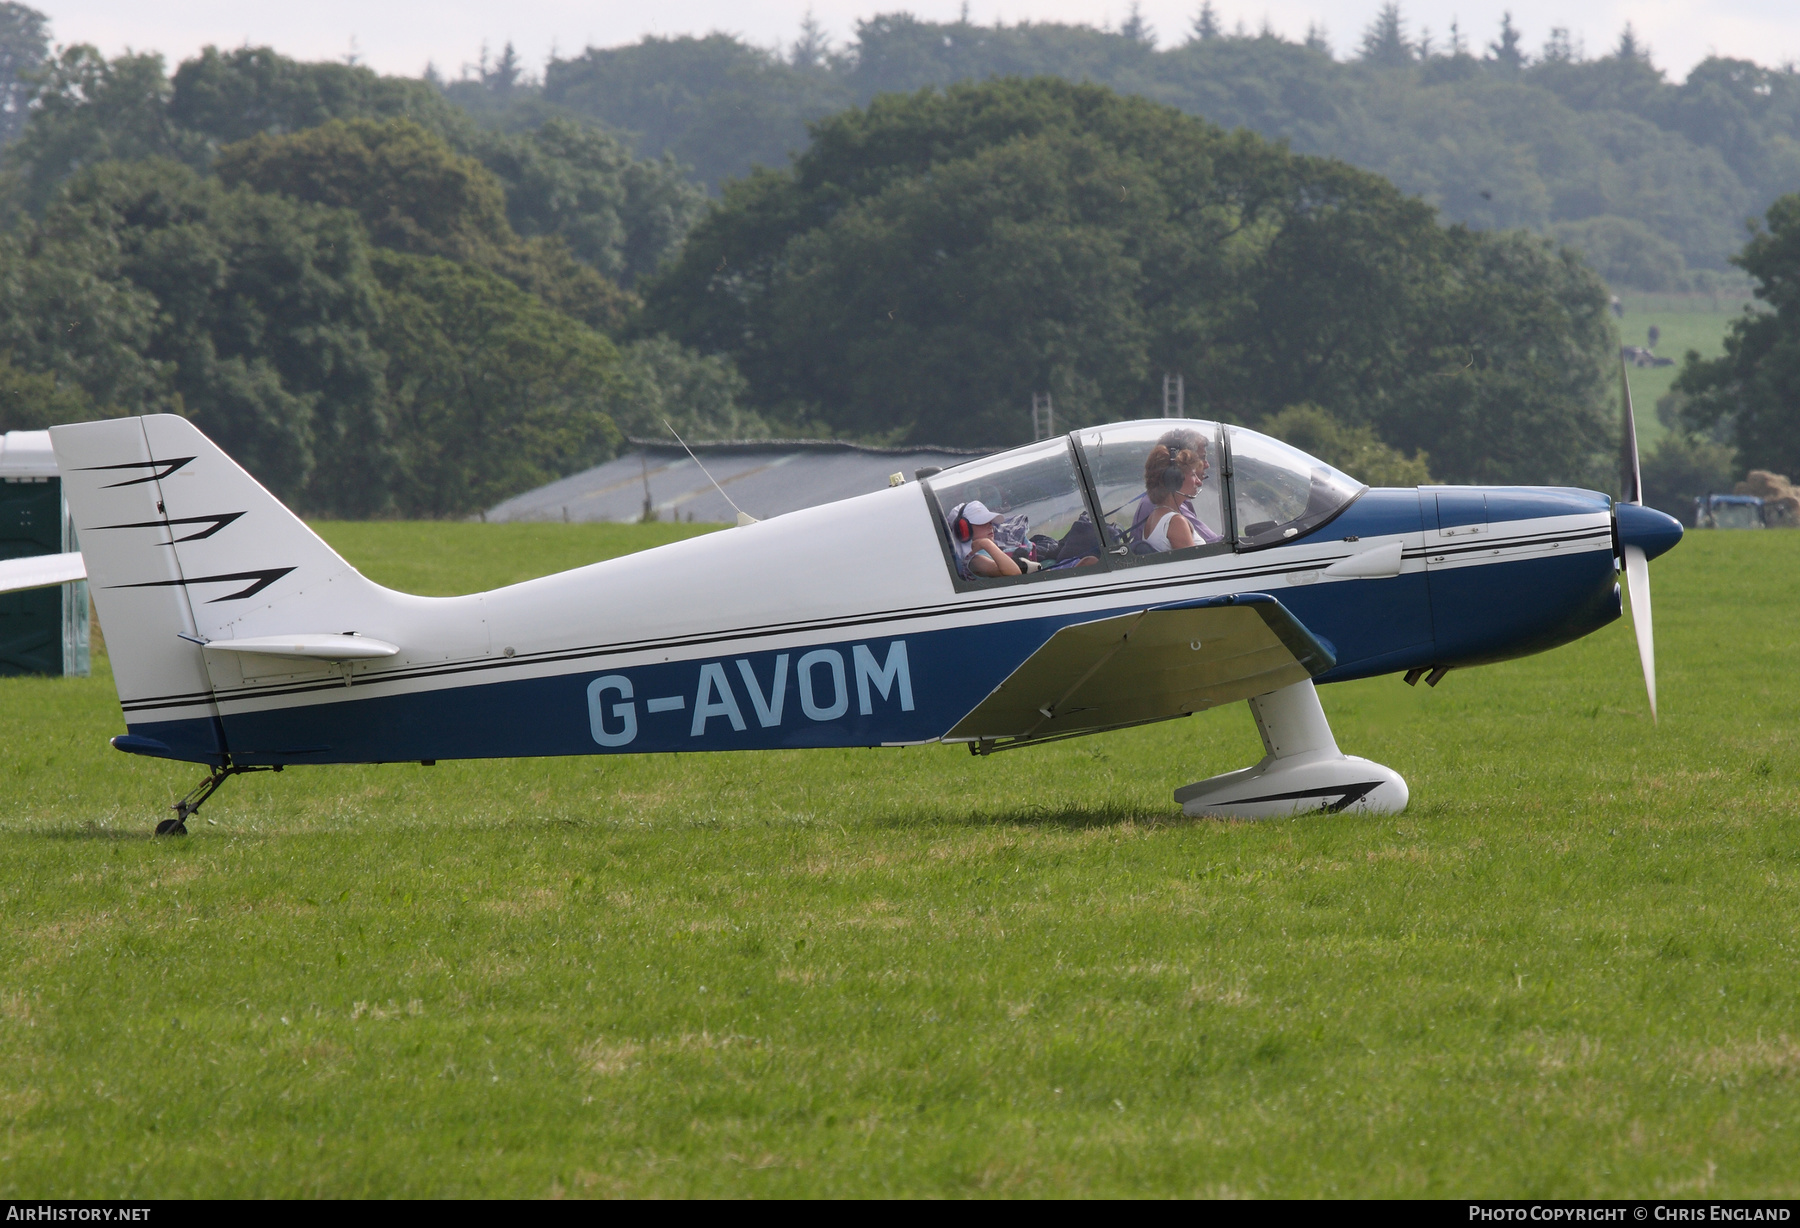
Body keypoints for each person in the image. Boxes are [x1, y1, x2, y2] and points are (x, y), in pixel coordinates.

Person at [1129, 428, 1221, 549]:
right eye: (1201, 459)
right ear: (1175, 475)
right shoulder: (1175, 520)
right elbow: (1213, 547)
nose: (1206, 465)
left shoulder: (1160, 509)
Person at [949, 500, 1023, 578]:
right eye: (982, 523)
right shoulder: (975, 561)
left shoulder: (984, 551)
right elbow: (1014, 574)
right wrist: (986, 544)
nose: (990, 527)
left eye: (990, 522)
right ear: (963, 530)